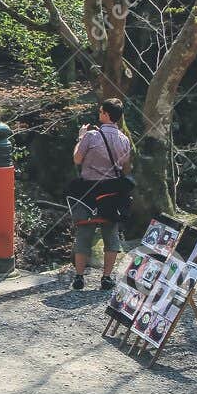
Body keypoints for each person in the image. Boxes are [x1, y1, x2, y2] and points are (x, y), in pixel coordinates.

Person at [71, 97, 132, 291]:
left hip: (88, 190)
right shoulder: (124, 140)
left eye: (100, 112)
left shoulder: (90, 136)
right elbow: (126, 168)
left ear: (106, 114)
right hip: (111, 193)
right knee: (111, 235)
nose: (99, 115)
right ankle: (106, 277)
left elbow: (77, 159)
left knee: (84, 233)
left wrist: (80, 137)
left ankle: (79, 277)